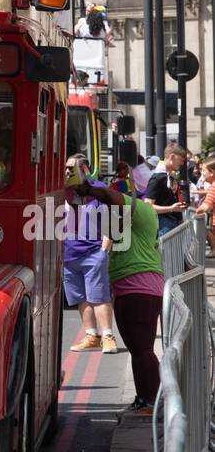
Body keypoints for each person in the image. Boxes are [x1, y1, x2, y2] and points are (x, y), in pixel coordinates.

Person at [73, 166, 165, 416]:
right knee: (138, 348)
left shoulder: (139, 208)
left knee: (142, 348)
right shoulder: (130, 215)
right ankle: (144, 399)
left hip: (140, 288)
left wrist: (93, 190)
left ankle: (151, 403)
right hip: (131, 288)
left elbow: (113, 198)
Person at [62, 154, 118, 353]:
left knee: (99, 296)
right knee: (81, 298)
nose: (67, 171)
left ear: (84, 169)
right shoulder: (64, 190)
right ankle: (92, 335)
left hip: (93, 251)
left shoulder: (99, 190)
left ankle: (108, 337)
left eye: (71, 168)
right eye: (66, 168)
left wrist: (104, 250)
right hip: (69, 255)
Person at [145, 141, 187, 237]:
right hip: (164, 226)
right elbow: (148, 206)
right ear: (172, 157)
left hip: (173, 225)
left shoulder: (169, 176)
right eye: (180, 159)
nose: (182, 163)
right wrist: (171, 209)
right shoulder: (157, 177)